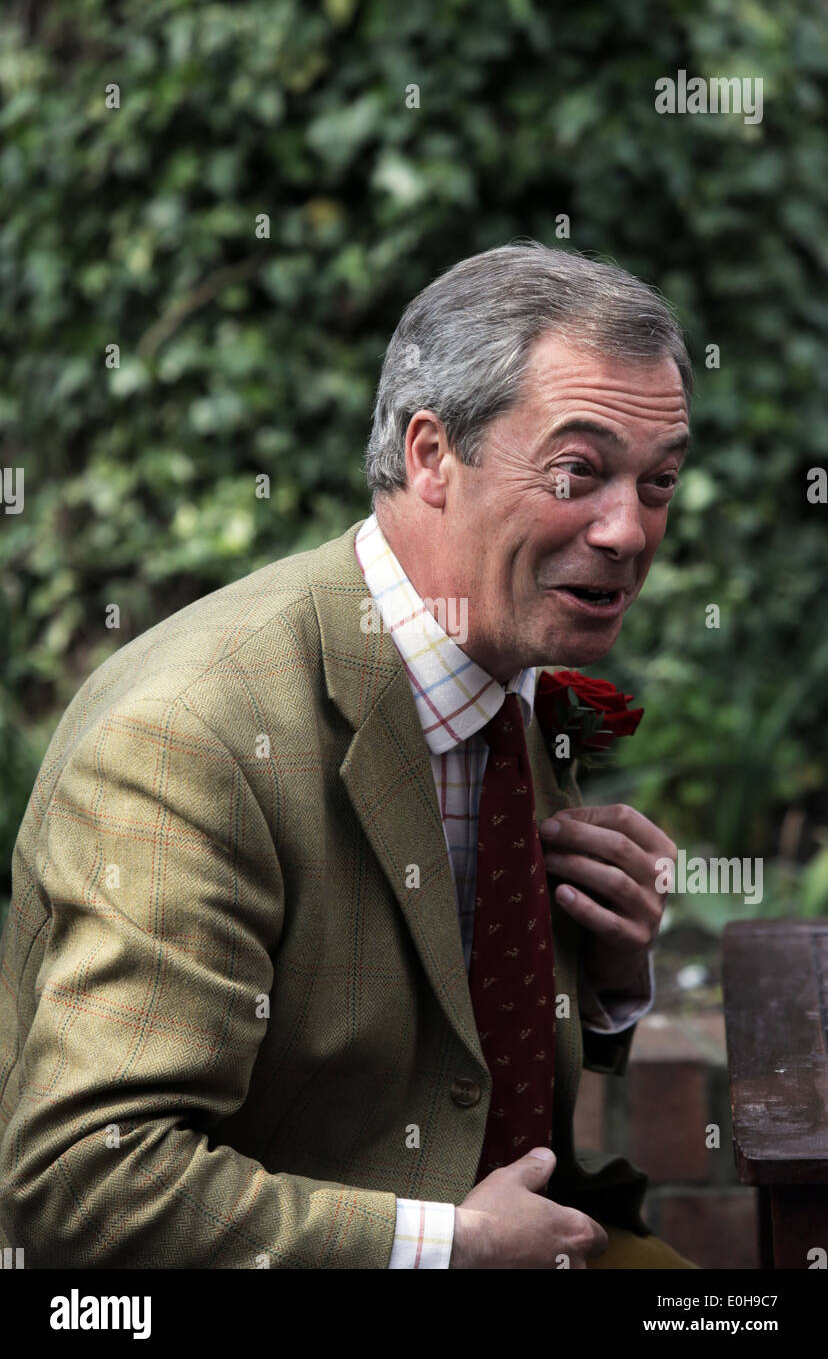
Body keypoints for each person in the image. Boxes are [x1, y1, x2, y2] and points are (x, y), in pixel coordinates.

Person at [0, 240, 698, 1268]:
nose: (629, 530)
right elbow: (88, 1181)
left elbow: (453, 1041)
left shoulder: (510, 671)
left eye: (660, 482)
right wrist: (444, 1245)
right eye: (578, 471)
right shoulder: (190, 739)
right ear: (430, 457)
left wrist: (606, 975)